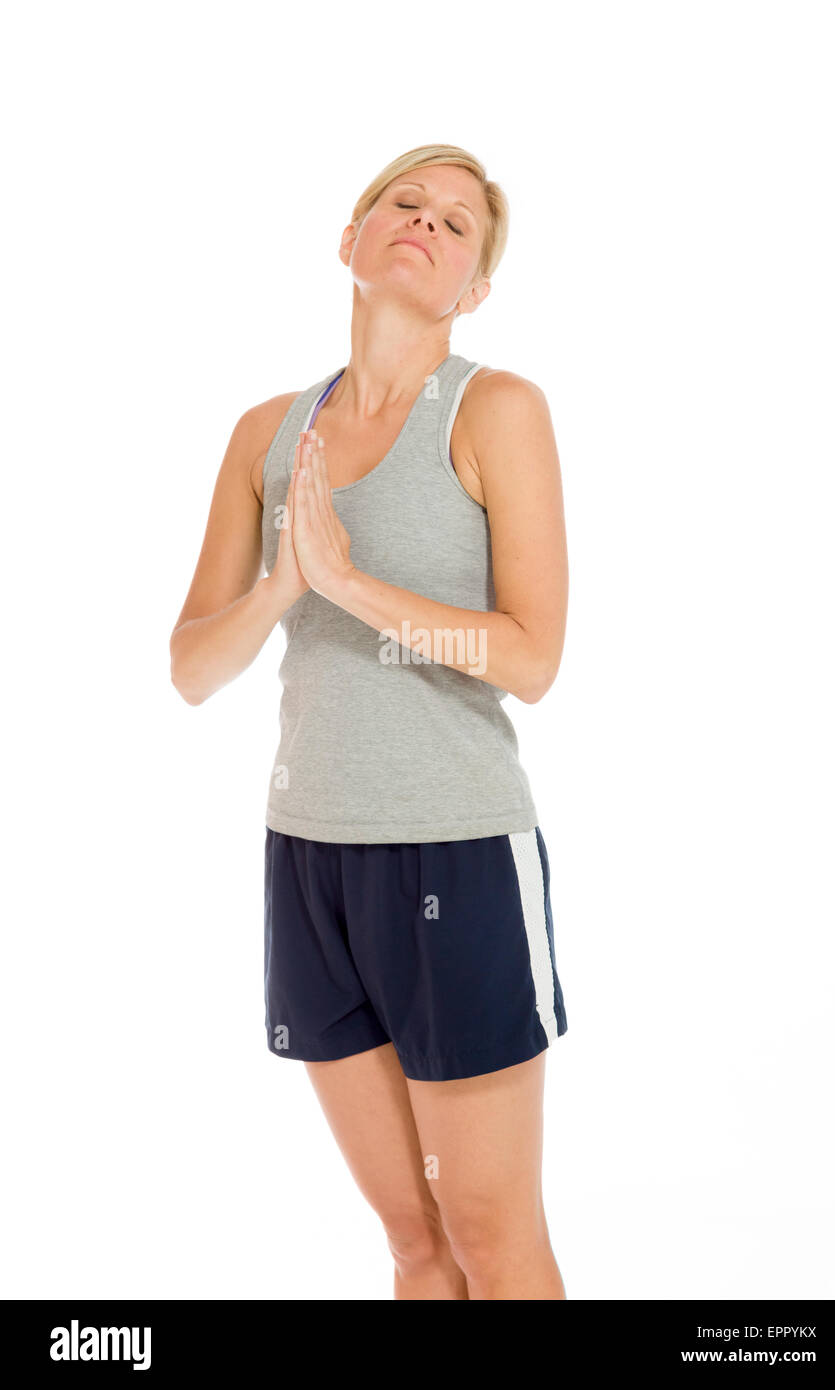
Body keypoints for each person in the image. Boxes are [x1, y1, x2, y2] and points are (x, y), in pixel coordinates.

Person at [170, 143, 570, 1300]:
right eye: (403, 203)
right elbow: (194, 668)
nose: (425, 224)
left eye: (456, 225)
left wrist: (350, 586)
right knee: (411, 1237)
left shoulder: (495, 409)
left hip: (453, 848)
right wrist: (285, 586)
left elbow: (532, 658)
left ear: (473, 290)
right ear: (348, 242)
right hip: (309, 857)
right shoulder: (265, 434)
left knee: (490, 1234)